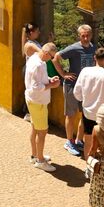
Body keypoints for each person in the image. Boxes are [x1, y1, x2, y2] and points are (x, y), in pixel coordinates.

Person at [53, 24, 96, 156]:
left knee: (85, 114)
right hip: (72, 86)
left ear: (91, 35)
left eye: (87, 35)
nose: (85, 37)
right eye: (83, 35)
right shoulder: (74, 48)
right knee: (70, 115)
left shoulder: (93, 48)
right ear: (79, 36)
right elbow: (55, 58)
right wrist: (63, 74)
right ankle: (69, 142)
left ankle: (78, 140)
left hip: (86, 87)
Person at [25, 43, 61, 171]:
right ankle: (40, 161)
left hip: (33, 100)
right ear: (46, 53)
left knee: (35, 128)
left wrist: (49, 79)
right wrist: (52, 85)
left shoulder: (35, 58)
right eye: (51, 57)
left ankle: (35, 155)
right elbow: (36, 87)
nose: (51, 59)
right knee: (42, 132)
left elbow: (39, 80)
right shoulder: (38, 65)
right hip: (38, 102)